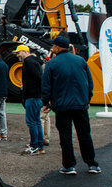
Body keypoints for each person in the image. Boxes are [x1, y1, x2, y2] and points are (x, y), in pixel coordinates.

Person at [41, 35, 100, 175]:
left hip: (62, 105)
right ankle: (92, 164)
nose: (52, 48)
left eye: (53, 46)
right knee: (85, 134)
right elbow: (89, 83)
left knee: (65, 136)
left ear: (57, 47)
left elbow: (46, 86)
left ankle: (69, 165)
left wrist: (46, 102)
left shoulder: (52, 63)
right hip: (80, 104)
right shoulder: (80, 61)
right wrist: (87, 99)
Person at [16, 45, 45, 155]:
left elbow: (37, 77)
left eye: (19, 53)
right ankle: (39, 145)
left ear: (24, 51)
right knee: (37, 121)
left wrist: (27, 87)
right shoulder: (35, 61)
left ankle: (34, 145)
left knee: (32, 122)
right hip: (36, 96)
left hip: (32, 96)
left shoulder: (28, 62)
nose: (18, 56)